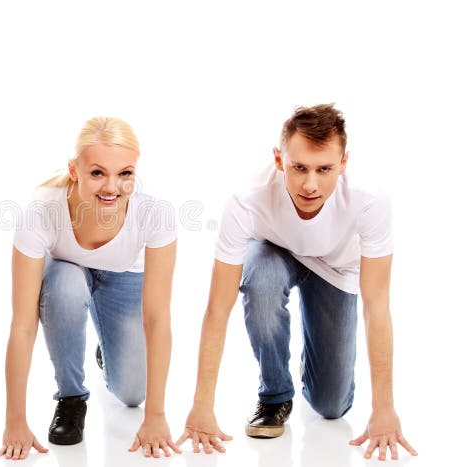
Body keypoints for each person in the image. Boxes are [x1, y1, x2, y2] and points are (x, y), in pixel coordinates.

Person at [177, 104, 418, 461]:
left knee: (331, 406)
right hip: (275, 251)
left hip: (336, 268)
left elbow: (377, 305)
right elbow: (217, 307)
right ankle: (274, 394)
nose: (310, 184)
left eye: (324, 170)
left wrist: (384, 407)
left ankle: (316, 356)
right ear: (279, 159)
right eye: (299, 167)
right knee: (261, 283)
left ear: (344, 163)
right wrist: (201, 405)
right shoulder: (246, 200)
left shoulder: (371, 199)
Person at [0, 117, 179, 460]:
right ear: (75, 169)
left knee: (131, 394)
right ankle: (71, 398)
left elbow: (157, 318)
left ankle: (107, 350)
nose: (111, 186)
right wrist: (15, 420)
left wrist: (156, 415)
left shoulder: (154, 213)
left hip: (124, 277)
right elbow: (22, 325)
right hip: (68, 275)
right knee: (65, 286)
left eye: (125, 174)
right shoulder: (41, 211)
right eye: (97, 173)